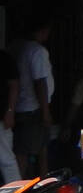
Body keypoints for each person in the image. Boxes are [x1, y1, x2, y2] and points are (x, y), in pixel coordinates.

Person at [12, 18, 54, 179]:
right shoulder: (37, 51)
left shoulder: (15, 46)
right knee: (33, 151)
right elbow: (40, 82)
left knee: (26, 149)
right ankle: (30, 186)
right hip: (33, 107)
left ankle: (32, 183)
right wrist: (45, 111)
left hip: (19, 106)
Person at [0, 45, 20, 183]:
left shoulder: (4, 58)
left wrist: (10, 112)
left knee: (6, 158)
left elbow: (14, 85)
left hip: (1, 116)